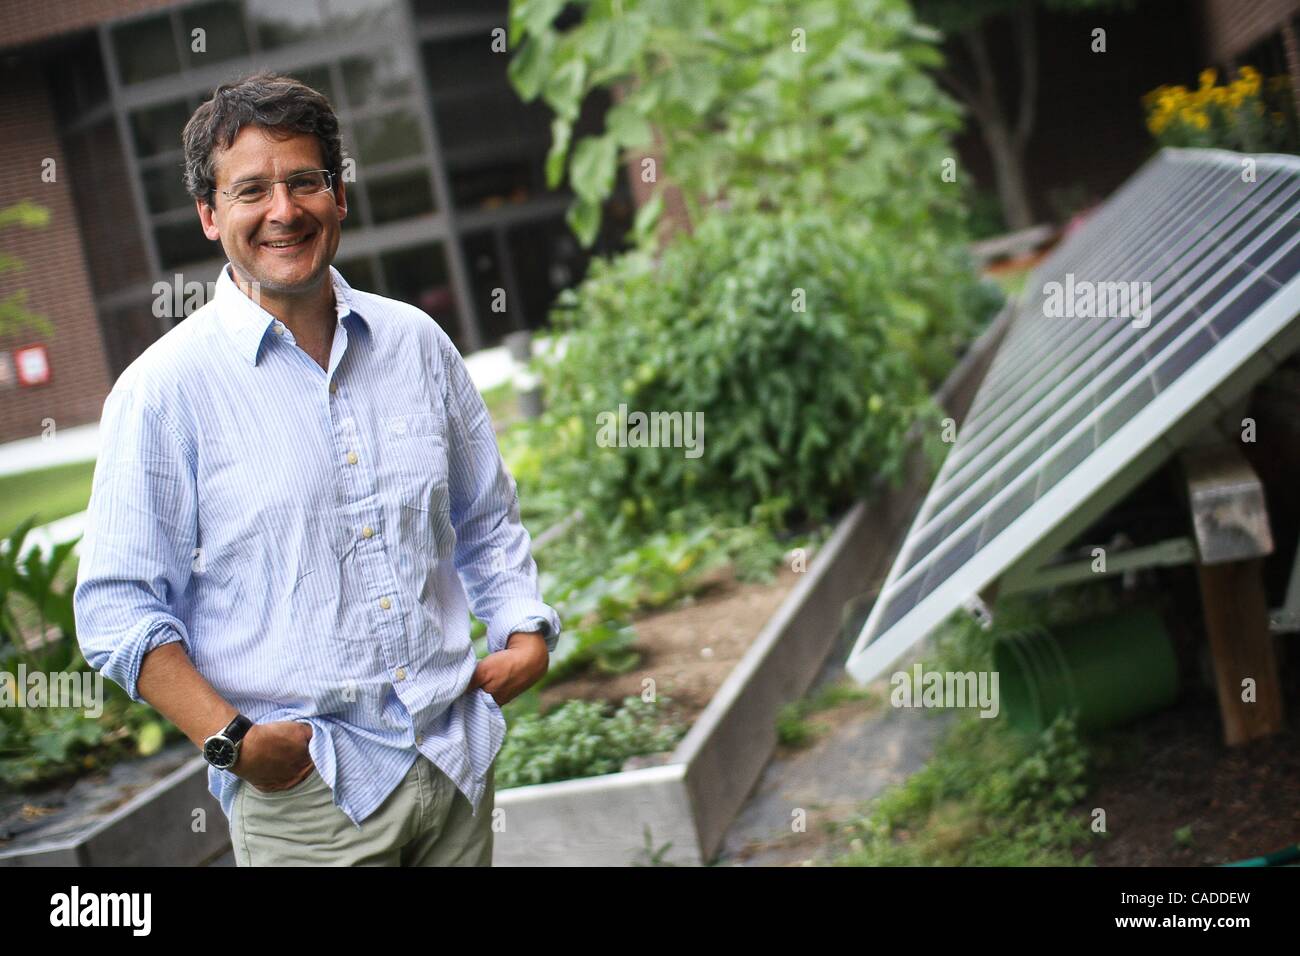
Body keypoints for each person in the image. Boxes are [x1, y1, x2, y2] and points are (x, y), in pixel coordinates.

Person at [73, 72, 560, 867]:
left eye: (304, 181)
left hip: (454, 763)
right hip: (308, 800)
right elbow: (117, 609)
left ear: (339, 195)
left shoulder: (416, 344)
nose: (283, 211)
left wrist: (524, 625)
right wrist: (233, 741)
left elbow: (485, 516)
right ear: (208, 214)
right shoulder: (162, 394)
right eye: (250, 190)